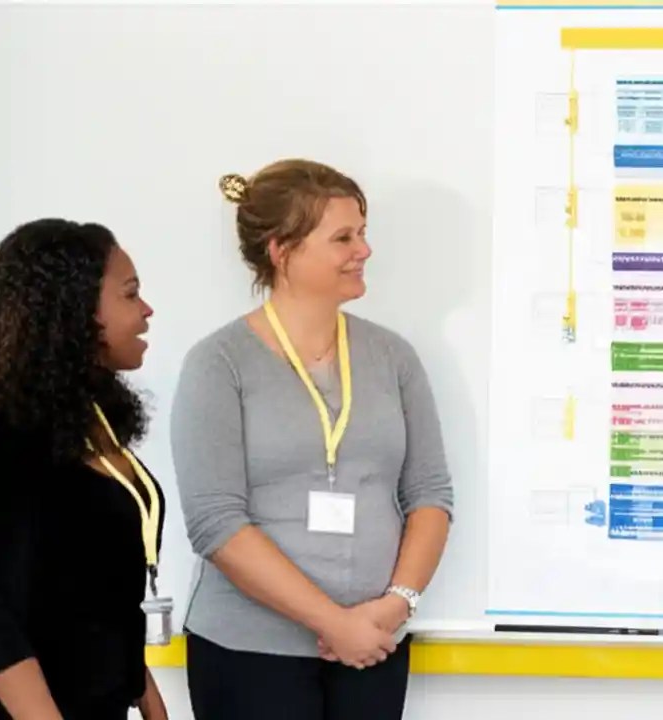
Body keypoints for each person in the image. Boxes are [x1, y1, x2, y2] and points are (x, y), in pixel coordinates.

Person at [170, 159, 454, 719]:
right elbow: (216, 522)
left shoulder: (393, 357)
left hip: (374, 645)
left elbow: (430, 494)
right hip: (249, 653)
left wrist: (396, 605)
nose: (364, 250)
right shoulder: (218, 363)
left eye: (362, 233)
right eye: (343, 238)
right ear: (282, 251)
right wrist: (333, 623)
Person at [0, 219, 167, 720]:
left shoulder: (90, 419)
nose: (147, 310)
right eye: (130, 294)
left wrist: (152, 707)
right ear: (73, 309)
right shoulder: (8, 431)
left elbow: (103, 601)